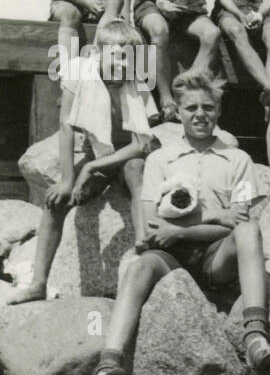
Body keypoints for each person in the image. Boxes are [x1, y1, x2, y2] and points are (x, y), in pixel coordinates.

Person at [95, 69, 270, 375]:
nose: (200, 115)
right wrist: (214, 217)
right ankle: (111, 360)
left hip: (216, 258)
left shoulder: (239, 160)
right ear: (178, 112)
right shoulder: (160, 160)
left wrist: (182, 229)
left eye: (208, 108)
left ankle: (255, 336)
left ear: (219, 111)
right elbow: (153, 227)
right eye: (191, 108)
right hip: (170, 258)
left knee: (249, 230)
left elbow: (238, 222)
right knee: (138, 265)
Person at [9, 16, 158, 303]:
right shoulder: (79, 71)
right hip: (99, 150)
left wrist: (92, 167)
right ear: (99, 52)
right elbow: (66, 125)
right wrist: (67, 179)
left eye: (130, 59)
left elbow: (142, 144)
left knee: (137, 170)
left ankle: (142, 247)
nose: (123, 66)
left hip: (128, 153)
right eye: (117, 58)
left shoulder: (136, 80)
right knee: (55, 202)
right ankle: (38, 282)